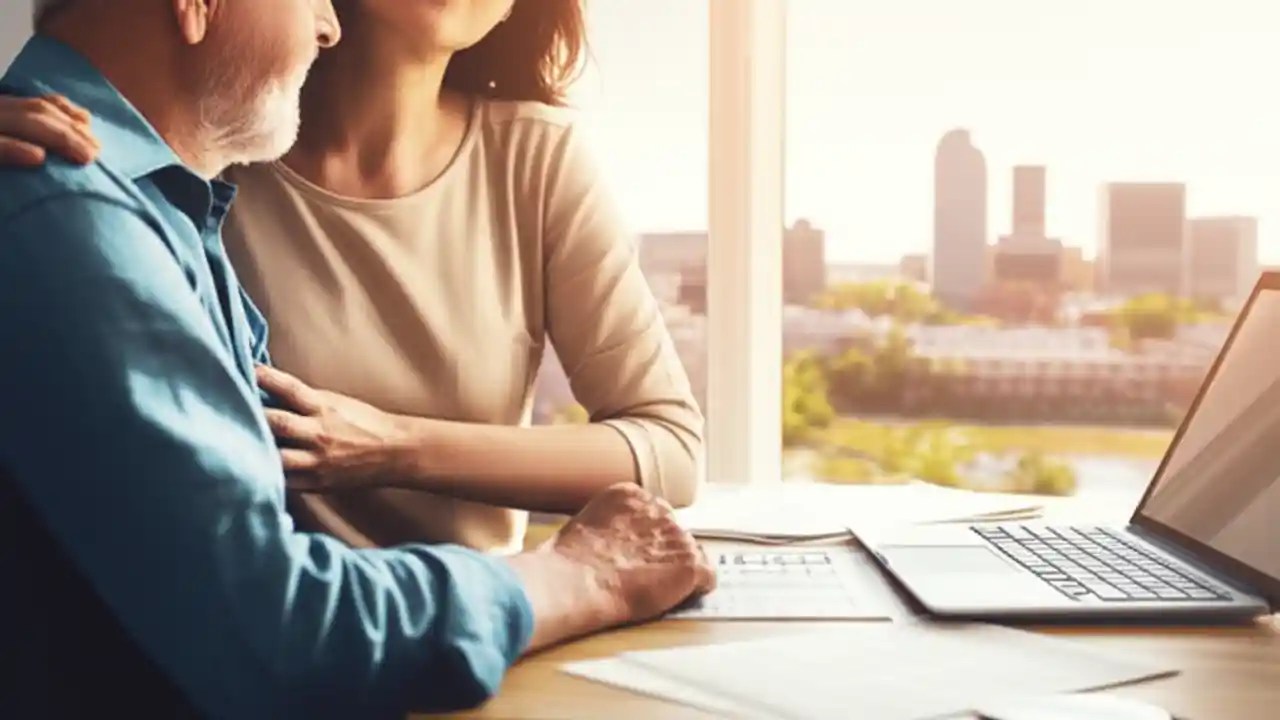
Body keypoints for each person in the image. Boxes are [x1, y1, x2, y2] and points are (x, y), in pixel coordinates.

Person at [0, 2, 715, 718]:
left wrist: (396, 447)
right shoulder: (120, 190)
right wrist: (579, 575)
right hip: (363, 651)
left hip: (448, 647)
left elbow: (670, 443)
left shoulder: (174, 188)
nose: (326, 24)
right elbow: (285, 633)